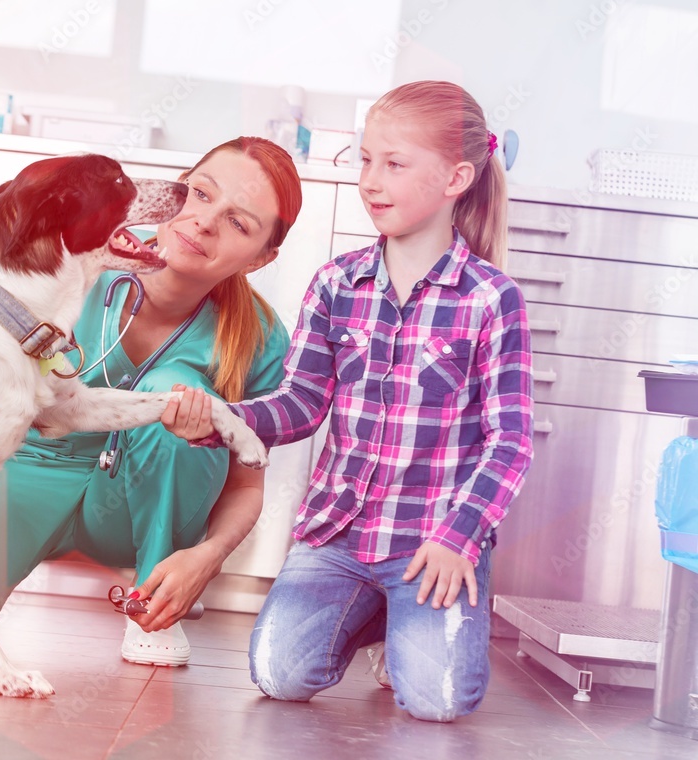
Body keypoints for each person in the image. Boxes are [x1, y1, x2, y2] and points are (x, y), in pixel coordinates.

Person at [165, 81, 534, 720]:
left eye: (394, 164)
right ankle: (380, 618)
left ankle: (411, 614)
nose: (370, 180)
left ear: (457, 178)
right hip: (337, 534)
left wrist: (459, 536)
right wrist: (224, 419)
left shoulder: (490, 299)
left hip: (432, 544)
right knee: (278, 674)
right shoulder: (337, 284)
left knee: (438, 701)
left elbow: (510, 442)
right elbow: (302, 403)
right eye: (365, 160)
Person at [0, 136, 303, 667]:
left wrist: (207, 559)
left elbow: (247, 483)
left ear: (263, 258)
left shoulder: (258, 338)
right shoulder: (77, 251)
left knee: (177, 388)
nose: (205, 222)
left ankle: (153, 603)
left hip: (130, 507)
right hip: (21, 469)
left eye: (240, 223)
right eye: (199, 193)